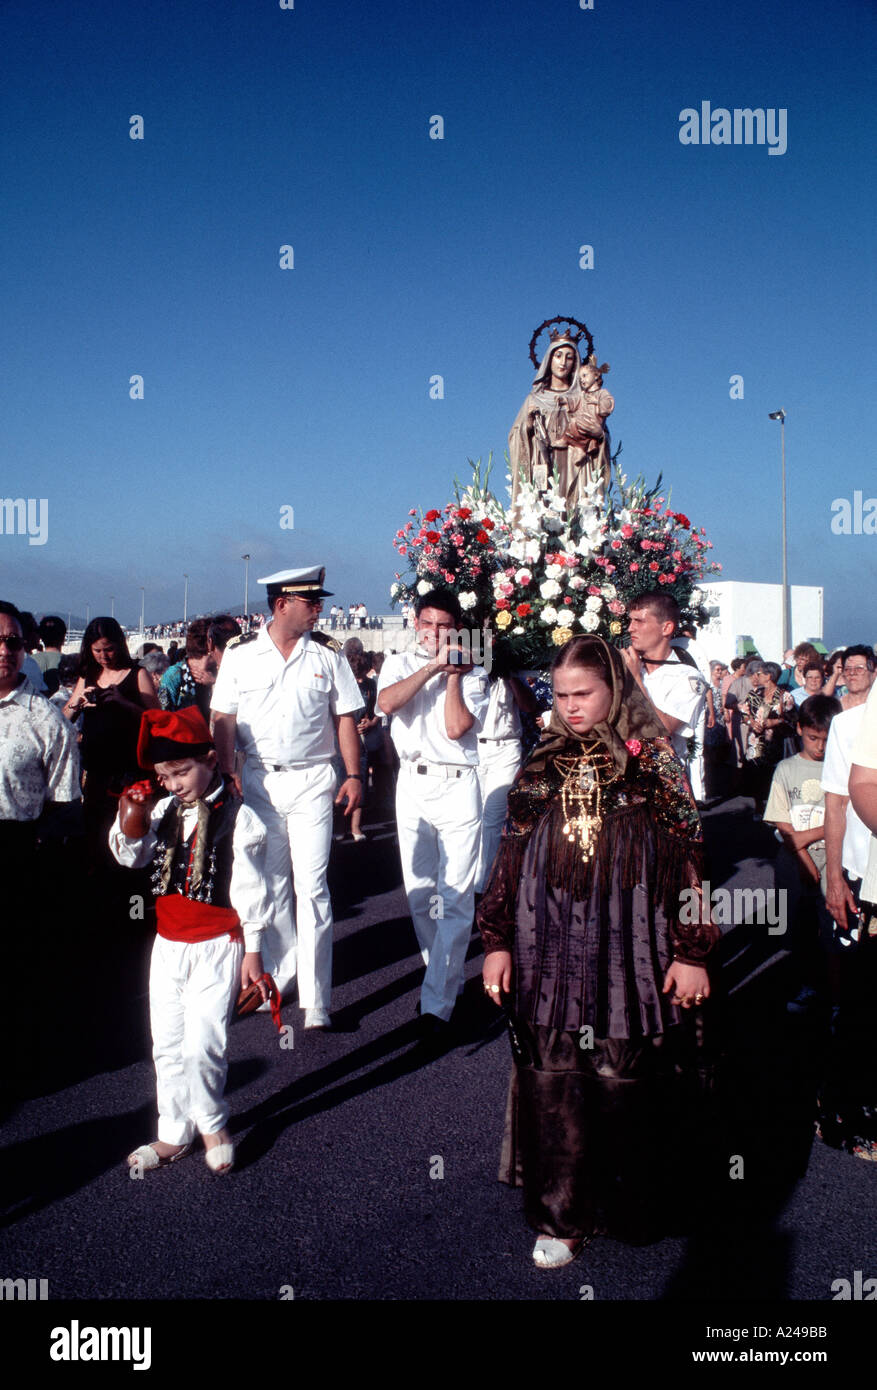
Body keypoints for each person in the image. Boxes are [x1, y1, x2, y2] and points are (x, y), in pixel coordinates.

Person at [477, 635, 717, 1268]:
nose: (570, 707)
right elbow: (509, 854)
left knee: (623, 1071)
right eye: (559, 696)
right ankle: (560, 1215)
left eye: (583, 694)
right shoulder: (540, 763)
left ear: (615, 690)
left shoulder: (655, 763)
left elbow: (693, 860)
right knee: (552, 1075)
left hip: (628, 945)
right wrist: (497, 941)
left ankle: (631, 1202)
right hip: (546, 942)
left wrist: (691, 951)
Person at [109, 707, 271, 1175]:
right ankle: (173, 1132)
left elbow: (250, 890)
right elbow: (131, 861)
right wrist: (131, 820)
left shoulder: (239, 818)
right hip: (168, 944)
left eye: (181, 772)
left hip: (218, 945)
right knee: (168, 1043)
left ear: (209, 761)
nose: (174, 784)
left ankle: (213, 1122)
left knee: (204, 1043)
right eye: (165, 776)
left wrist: (254, 953)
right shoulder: (161, 810)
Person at [211, 567, 363, 1029]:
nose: (320, 609)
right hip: (258, 781)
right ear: (281, 605)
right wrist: (224, 772)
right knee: (270, 884)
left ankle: (316, 1001)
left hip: (314, 779)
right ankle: (276, 979)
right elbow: (223, 717)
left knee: (311, 886)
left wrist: (354, 774)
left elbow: (345, 719)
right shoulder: (240, 655)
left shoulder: (328, 655)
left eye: (320, 602)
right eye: (311, 602)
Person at [377, 588, 490, 1041]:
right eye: (429, 625)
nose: (437, 634)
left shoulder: (476, 671)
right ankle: (443, 979)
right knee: (421, 894)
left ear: (458, 629)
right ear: (417, 625)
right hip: (412, 783)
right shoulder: (399, 664)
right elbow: (387, 704)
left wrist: (456, 677)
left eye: (446, 626)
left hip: (459, 782)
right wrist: (431, 668)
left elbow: (456, 727)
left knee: (456, 894)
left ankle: (436, 1005)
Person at [0, 600, 80, 1104]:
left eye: (12, 641)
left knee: (13, 968)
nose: (4, 650)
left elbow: (67, 805)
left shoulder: (45, 718)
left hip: (15, 852)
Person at [764, 694, 840, 1009]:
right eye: (813, 738)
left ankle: (838, 994)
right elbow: (785, 829)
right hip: (795, 864)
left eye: (826, 739)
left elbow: (847, 817)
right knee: (800, 928)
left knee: (835, 931)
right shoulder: (785, 769)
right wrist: (808, 860)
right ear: (799, 730)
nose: (820, 746)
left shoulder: (842, 769)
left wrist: (817, 837)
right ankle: (807, 985)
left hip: (834, 861)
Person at [63, 617, 158, 854]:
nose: (104, 656)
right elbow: (63, 720)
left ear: (120, 645)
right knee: (95, 835)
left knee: (128, 838)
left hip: (130, 774)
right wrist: (78, 702)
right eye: (97, 651)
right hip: (96, 774)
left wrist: (123, 702)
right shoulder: (88, 675)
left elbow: (157, 719)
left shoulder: (138, 674)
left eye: (109, 649)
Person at [621, 592, 708, 796]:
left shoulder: (687, 677)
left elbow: (664, 729)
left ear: (666, 628)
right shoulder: (628, 667)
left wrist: (635, 681)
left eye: (639, 621)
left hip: (661, 784)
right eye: (630, 620)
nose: (630, 628)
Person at [509, 332, 593, 512]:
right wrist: (528, 426)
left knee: (573, 512)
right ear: (549, 359)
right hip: (542, 462)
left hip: (573, 464)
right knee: (542, 510)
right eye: (558, 356)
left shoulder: (583, 400)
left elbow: (600, 434)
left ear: (576, 363)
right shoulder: (535, 399)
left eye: (569, 358)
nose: (563, 363)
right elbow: (515, 435)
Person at [474, 674, 536, 894]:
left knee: (493, 817)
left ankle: (483, 887)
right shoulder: (471, 666)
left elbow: (529, 706)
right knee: (473, 817)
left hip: (506, 747)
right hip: (473, 747)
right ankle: (470, 879)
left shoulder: (511, 671)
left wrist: (511, 677)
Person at [741, 661, 796, 815]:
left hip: (775, 743)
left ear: (769, 676)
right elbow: (745, 714)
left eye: (760, 673)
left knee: (773, 775)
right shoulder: (754, 694)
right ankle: (758, 806)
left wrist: (774, 721)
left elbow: (792, 720)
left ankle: (774, 809)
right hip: (755, 741)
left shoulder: (785, 697)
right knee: (755, 772)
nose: (757, 676)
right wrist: (752, 722)